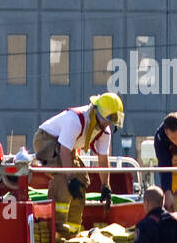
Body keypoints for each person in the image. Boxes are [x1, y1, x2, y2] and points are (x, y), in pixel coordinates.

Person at [34, 93, 124, 234]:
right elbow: (64, 152)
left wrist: (105, 186)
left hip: (67, 147)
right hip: (46, 140)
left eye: (111, 121)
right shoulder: (75, 120)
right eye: (106, 120)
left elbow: (103, 159)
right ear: (96, 113)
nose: (107, 124)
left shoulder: (104, 131)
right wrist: (71, 179)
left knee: (82, 179)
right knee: (64, 176)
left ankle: (73, 228)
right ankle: (56, 226)